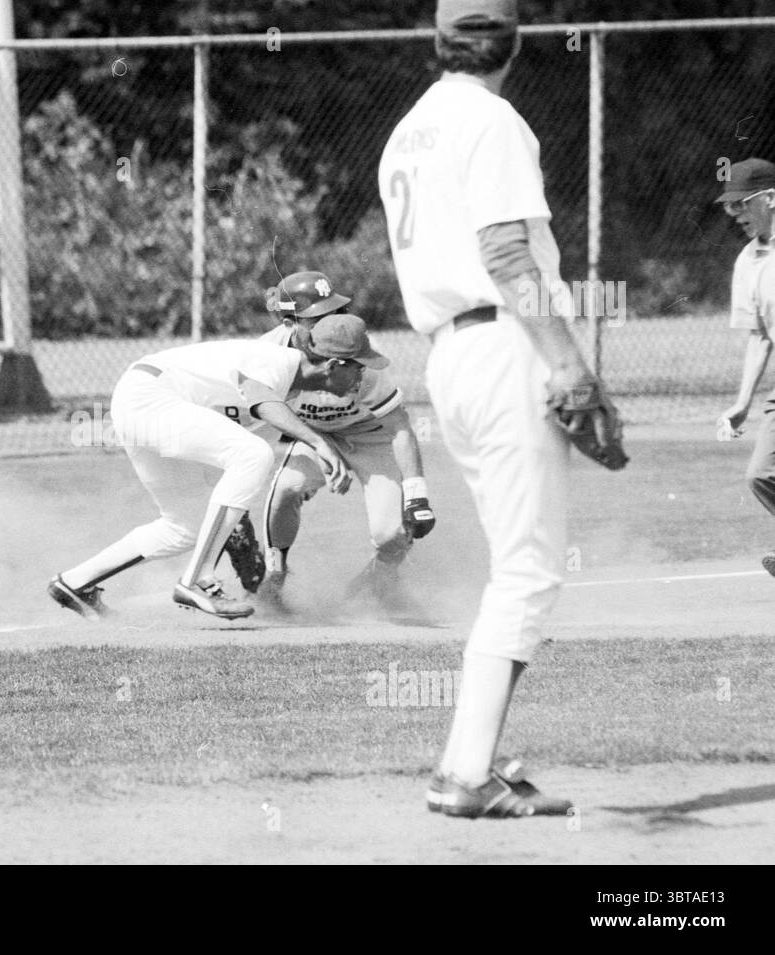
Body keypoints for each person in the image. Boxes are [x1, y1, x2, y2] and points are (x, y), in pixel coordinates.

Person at [377, 0, 624, 818]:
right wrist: (568, 364)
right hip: (503, 343)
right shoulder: (493, 119)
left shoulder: (407, 129)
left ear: (436, 41)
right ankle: (465, 774)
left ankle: (465, 759)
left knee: (512, 567)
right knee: (529, 571)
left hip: (449, 356)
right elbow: (506, 250)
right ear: (512, 42)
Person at [49, 313, 385, 620]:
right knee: (253, 455)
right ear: (335, 364)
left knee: (186, 526)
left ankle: (76, 583)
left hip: (146, 403)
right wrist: (320, 443)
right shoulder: (277, 363)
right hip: (149, 398)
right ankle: (197, 582)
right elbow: (260, 403)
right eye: (358, 366)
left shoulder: (288, 388)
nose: (362, 375)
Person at [223, 271, 435, 613]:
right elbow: (254, 416)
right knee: (286, 488)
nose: (332, 321)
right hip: (313, 434)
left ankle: (381, 580)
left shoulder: (355, 347)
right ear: (291, 322)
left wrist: (416, 493)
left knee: (391, 533)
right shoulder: (268, 353)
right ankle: (275, 576)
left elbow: (398, 425)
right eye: (317, 317)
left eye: (333, 311)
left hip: (369, 435)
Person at [715, 157, 775, 576]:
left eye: (742, 203)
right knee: (761, 475)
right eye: (728, 206)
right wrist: (742, 403)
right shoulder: (750, 261)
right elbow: (760, 335)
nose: (733, 214)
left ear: (770, 198)